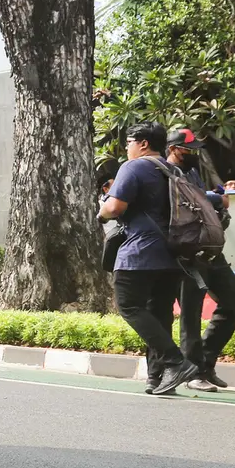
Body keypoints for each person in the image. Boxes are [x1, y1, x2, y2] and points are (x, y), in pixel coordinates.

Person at [98, 123, 200, 395]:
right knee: (159, 313)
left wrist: (102, 211)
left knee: (129, 305)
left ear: (143, 143)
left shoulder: (134, 167)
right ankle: (158, 377)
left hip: (140, 252)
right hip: (172, 254)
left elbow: (116, 206)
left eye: (130, 141)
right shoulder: (174, 170)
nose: (127, 146)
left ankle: (176, 362)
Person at [165, 128, 235, 392]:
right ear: (174, 148)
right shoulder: (165, 171)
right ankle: (191, 372)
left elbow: (200, 196)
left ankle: (206, 363)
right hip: (186, 251)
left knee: (233, 304)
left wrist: (214, 199)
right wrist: (216, 197)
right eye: (189, 148)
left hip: (210, 246)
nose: (194, 153)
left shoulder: (192, 171)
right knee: (191, 313)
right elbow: (190, 197)